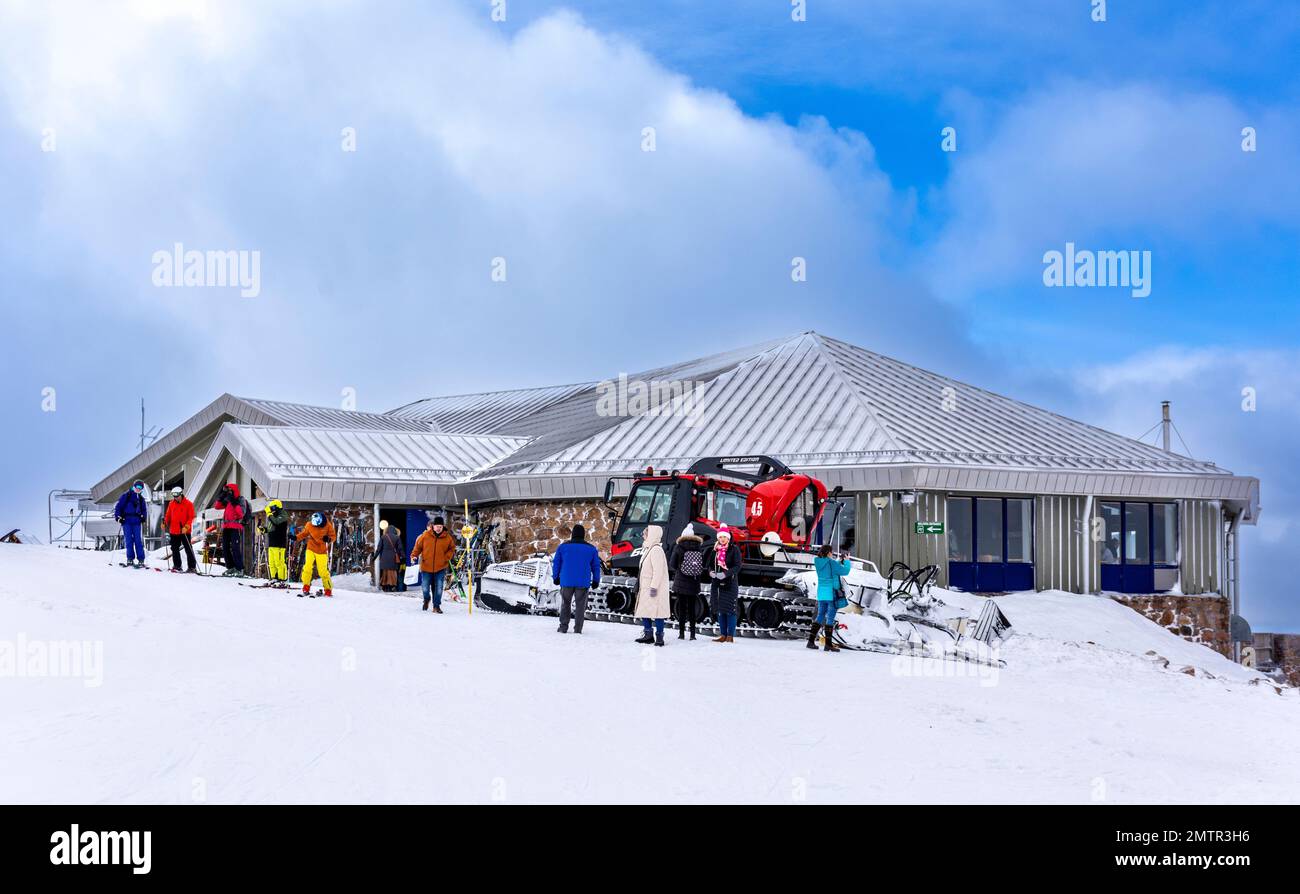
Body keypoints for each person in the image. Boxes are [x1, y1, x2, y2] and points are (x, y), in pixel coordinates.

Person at [551, 523, 601, 634]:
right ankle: (578, 629)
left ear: (572, 534)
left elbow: (557, 563)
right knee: (580, 606)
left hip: (566, 580)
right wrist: (596, 580)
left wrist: (555, 577)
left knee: (565, 604)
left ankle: (563, 627)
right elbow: (596, 566)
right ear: (583, 535)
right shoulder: (591, 549)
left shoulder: (563, 547)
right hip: (583, 582)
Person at [668, 523, 707, 640]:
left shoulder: (679, 547)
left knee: (681, 608)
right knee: (692, 608)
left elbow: (672, 564)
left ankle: (681, 634)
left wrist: (680, 569)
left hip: (681, 581)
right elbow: (702, 565)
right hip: (694, 582)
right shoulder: (699, 547)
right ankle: (693, 635)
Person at [633, 524, 670, 646]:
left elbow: (658, 571)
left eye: (645, 534)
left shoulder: (656, 550)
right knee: (645, 610)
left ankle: (659, 637)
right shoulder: (649, 549)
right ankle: (648, 634)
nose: (643, 536)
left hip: (653, 588)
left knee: (658, 612)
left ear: (652, 535)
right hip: (646, 586)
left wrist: (654, 587)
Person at [410, 516, 456, 612]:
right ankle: (426, 599)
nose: (438, 528)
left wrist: (446, 558)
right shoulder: (425, 535)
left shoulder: (447, 537)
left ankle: (436, 606)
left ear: (443, 526)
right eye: (436, 526)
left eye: (440, 526)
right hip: (426, 566)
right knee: (425, 588)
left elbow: (452, 549)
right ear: (433, 526)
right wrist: (414, 555)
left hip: (440, 567)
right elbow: (418, 547)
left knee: (439, 588)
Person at [810, 545, 850, 653]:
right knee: (830, 618)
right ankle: (828, 645)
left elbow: (831, 566)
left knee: (820, 615)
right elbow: (845, 571)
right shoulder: (831, 562)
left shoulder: (817, 561)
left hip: (821, 594)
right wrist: (846, 561)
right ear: (828, 553)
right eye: (831, 552)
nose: (832, 554)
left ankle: (810, 641)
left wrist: (838, 560)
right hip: (831, 594)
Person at [706, 525, 742, 643]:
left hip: (730, 583)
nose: (722, 539)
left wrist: (726, 574)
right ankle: (723, 635)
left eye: (724, 537)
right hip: (717, 583)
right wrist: (711, 572)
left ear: (728, 538)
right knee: (720, 609)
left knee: (730, 610)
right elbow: (710, 564)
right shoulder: (715, 549)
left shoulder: (734, 549)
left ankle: (730, 636)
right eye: (720, 537)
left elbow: (737, 566)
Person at [296, 511, 336, 597]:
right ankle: (306, 586)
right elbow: (304, 534)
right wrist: (296, 537)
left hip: (321, 550)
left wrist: (328, 539)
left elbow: (333, 536)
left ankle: (328, 589)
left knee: (323, 571)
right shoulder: (309, 524)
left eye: (318, 524)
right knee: (307, 567)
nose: (316, 526)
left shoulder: (328, 525)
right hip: (310, 548)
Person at [213, 483, 248, 576]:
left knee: (235, 547)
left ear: (233, 490)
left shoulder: (240, 499)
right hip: (226, 526)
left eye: (229, 490)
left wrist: (234, 503)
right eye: (227, 491)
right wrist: (222, 495)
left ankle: (239, 568)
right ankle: (231, 567)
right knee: (225, 547)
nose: (228, 492)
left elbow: (241, 514)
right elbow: (217, 506)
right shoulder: (228, 500)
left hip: (235, 526)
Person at [113, 479, 150, 568]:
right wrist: (118, 517)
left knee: (138, 541)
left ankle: (141, 559)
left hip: (137, 522)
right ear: (134, 486)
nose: (138, 489)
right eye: (137, 487)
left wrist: (143, 517)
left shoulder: (141, 499)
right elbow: (118, 507)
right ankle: (130, 558)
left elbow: (144, 510)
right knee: (129, 540)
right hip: (127, 521)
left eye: (140, 488)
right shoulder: (126, 496)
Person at [163, 486, 197, 573]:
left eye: (177, 496)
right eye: (174, 496)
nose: (176, 498)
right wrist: (164, 523)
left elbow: (191, 517)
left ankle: (192, 567)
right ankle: (177, 566)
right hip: (174, 530)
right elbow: (168, 516)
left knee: (188, 548)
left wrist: (186, 527)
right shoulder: (171, 504)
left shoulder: (188, 504)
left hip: (184, 531)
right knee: (174, 548)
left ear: (181, 494)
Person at [260, 499, 290, 586]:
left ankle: (282, 579)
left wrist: (269, 514)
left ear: (277, 507)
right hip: (272, 543)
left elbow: (276, 522)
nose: (271, 509)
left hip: (279, 543)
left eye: (272, 507)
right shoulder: (273, 517)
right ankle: (274, 578)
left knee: (279, 562)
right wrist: (263, 529)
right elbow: (270, 528)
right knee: (272, 562)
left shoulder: (283, 515)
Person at [372, 521, 404, 592]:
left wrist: (374, 557)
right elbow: (400, 549)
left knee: (385, 573)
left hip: (384, 558)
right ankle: (392, 586)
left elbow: (379, 549)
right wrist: (403, 557)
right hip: (393, 559)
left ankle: (386, 587)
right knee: (392, 573)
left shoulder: (383, 537)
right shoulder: (397, 538)